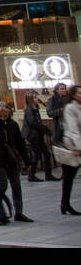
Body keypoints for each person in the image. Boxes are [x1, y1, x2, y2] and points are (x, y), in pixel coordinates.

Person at [58, 84, 81, 216]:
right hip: (73, 145)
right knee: (69, 176)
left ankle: (65, 203)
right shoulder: (71, 108)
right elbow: (73, 129)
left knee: (69, 176)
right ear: (73, 95)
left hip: (77, 144)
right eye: (79, 93)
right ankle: (65, 203)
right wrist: (78, 147)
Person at [22, 93, 55, 182]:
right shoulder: (29, 109)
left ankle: (48, 175)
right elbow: (32, 122)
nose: (37, 99)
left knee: (46, 154)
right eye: (35, 97)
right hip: (33, 136)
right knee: (37, 155)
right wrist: (44, 128)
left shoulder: (35, 109)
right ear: (30, 99)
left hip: (38, 135)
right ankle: (31, 175)